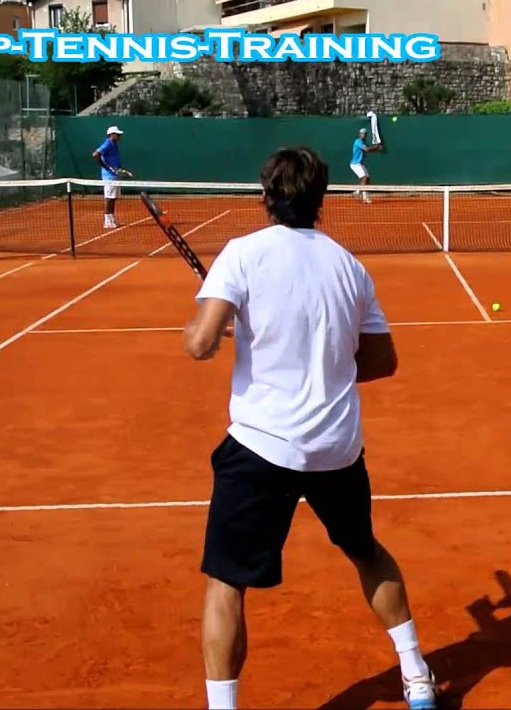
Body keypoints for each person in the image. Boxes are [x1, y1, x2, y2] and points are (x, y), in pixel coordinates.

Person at [183, 147, 439, 710]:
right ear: (322, 200)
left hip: (261, 446)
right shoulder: (350, 266)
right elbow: (381, 361)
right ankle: (417, 675)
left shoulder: (242, 254)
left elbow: (200, 344)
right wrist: (321, 369)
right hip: (337, 447)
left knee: (226, 582)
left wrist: (205, 327)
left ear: (265, 196)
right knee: (367, 551)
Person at [92, 125, 132, 230]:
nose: (119, 136)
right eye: (117, 134)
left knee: (113, 198)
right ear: (111, 134)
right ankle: (107, 221)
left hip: (115, 175)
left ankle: (112, 219)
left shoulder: (114, 144)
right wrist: (106, 167)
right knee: (109, 199)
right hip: (109, 176)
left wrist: (120, 170)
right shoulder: (107, 143)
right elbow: (95, 154)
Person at [350, 128, 381, 204]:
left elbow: (368, 150)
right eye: (362, 133)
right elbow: (366, 149)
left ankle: (358, 192)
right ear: (359, 134)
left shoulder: (364, 142)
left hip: (360, 164)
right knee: (364, 178)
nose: (363, 135)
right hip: (355, 164)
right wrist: (375, 147)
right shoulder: (358, 141)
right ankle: (363, 196)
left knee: (368, 179)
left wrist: (377, 149)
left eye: (365, 133)